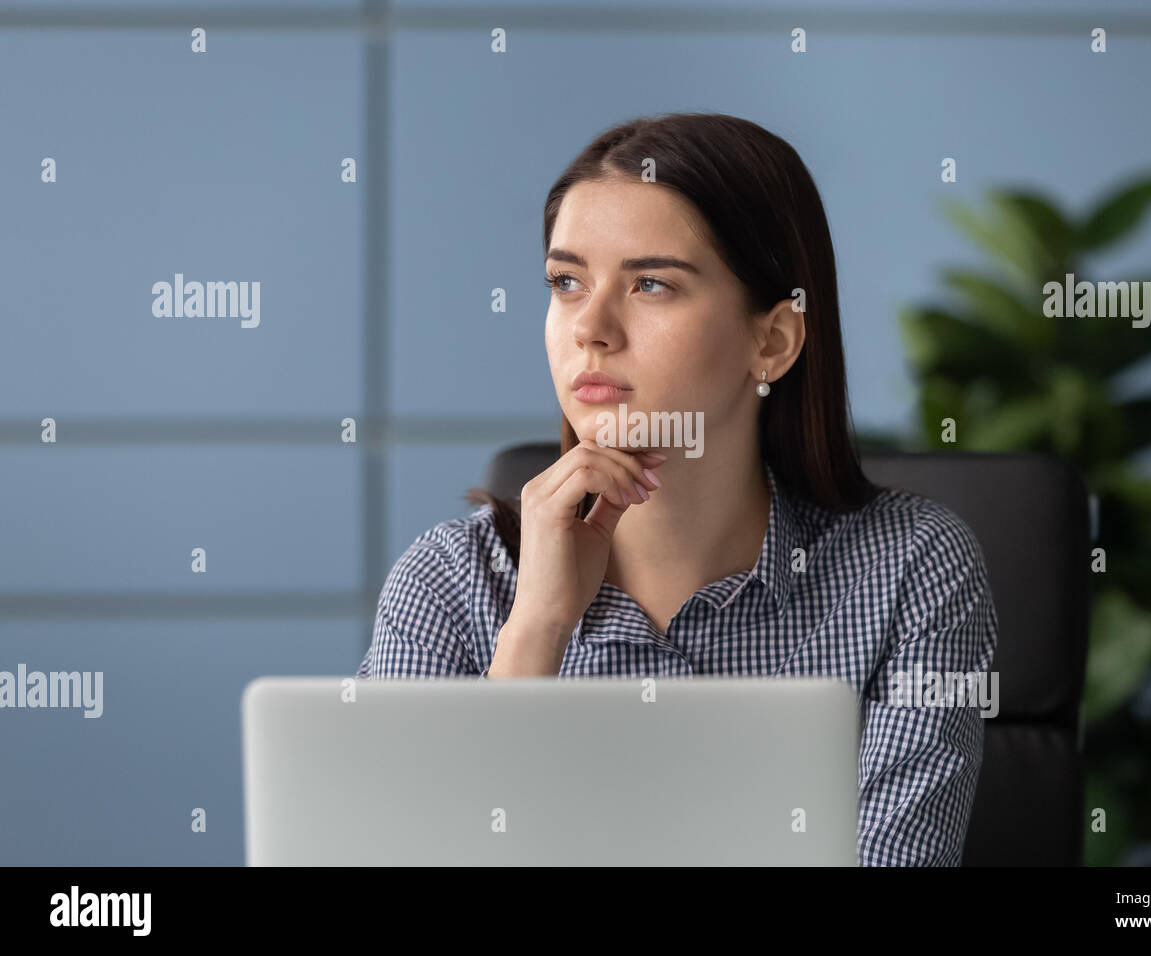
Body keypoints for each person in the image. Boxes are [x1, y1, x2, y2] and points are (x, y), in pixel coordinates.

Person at [357, 111, 999, 866]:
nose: (589, 328)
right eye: (566, 282)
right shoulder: (448, 582)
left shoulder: (912, 567)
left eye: (652, 284)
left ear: (773, 341)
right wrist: (536, 632)